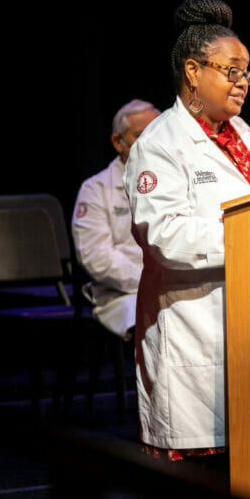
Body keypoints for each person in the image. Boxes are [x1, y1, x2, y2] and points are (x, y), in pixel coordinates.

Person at [124, 0, 250, 499]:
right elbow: (164, 236)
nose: (242, 84)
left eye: (247, 73)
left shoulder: (240, 135)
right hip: (189, 320)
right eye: (231, 71)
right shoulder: (160, 142)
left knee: (243, 451)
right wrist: (249, 237)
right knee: (191, 454)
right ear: (193, 70)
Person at [72, 99, 158, 339]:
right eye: (141, 136)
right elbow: (97, 256)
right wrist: (149, 281)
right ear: (117, 142)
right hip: (122, 294)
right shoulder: (96, 189)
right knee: (160, 320)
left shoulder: (176, 181)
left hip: (170, 285)